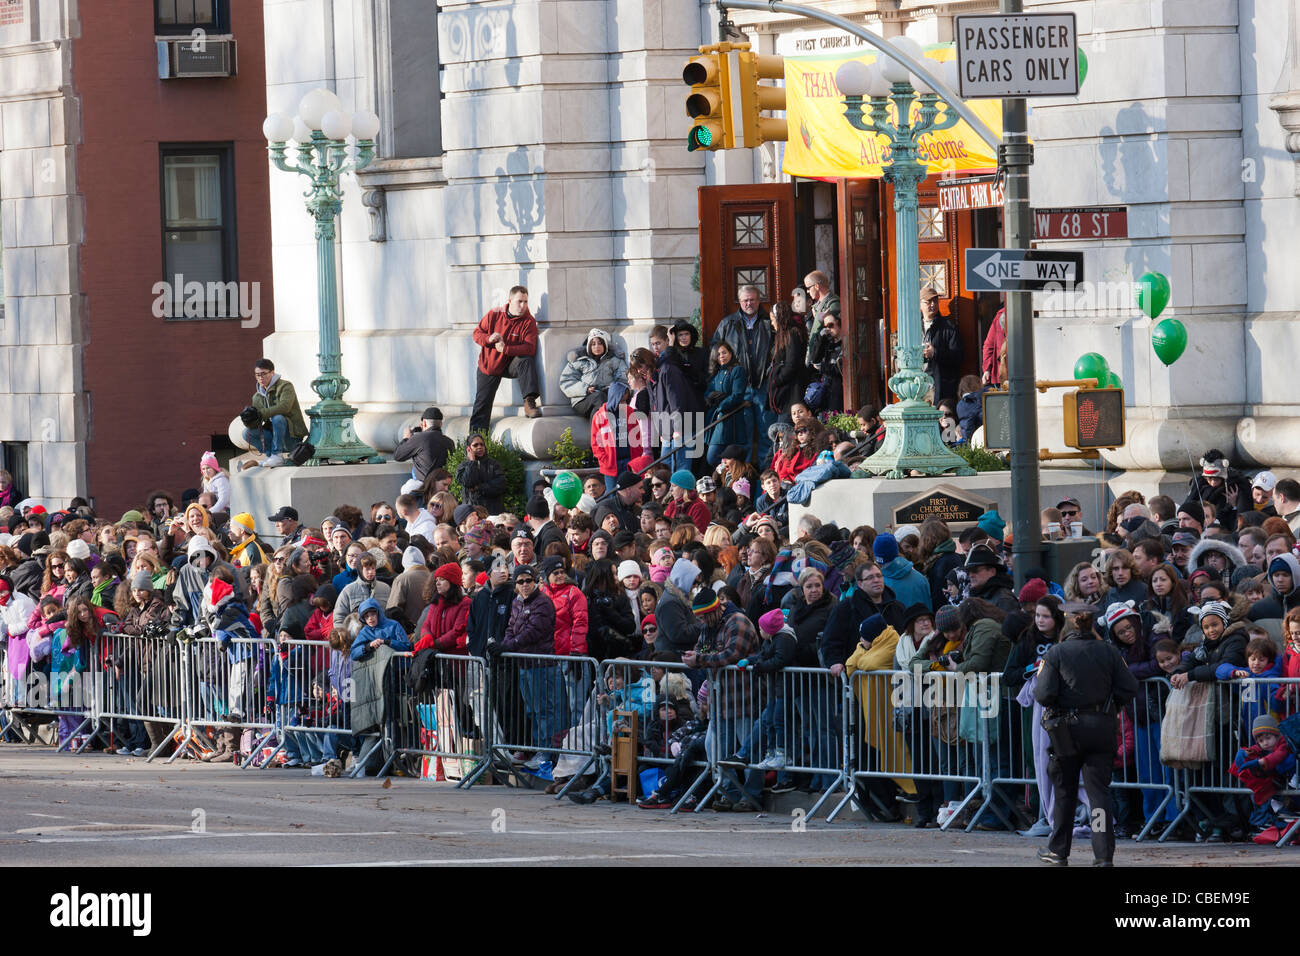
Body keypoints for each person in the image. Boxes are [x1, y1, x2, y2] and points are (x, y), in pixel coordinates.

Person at [1033, 608, 1139, 866]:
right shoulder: (1110, 652)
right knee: (1099, 795)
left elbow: (1044, 694)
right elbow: (1129, 687)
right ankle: (1103, 854)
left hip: (1066, 730)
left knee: (1065, 792)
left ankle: (1058, 851)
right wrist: (1110, 705)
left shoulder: (1056, 653)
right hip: (1102, 726)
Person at [712, 285, 776, 465]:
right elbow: (715, 353)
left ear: (759, 300)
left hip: (764, 386)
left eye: (752, 299)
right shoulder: (728, 324)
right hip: (739, 389)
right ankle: (743, 480)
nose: (749, 303)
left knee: (767, 434)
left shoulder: (769, 322)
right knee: (743, 437)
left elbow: (778, 351)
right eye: (745, 300)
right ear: (739, 302)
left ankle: (766, 479)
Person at [469, 286, 542, 432]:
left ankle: (529, 402)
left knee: (526, 359)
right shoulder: (494, 314)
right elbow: (477, 333)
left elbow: (530, 348)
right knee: (482, 406)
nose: (523, 306)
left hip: (510, 363)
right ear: (509, 301)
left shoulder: (528, 321)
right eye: (519, 301)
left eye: (526, 302)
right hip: (490, 365)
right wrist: (488, 338)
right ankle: (475, 442)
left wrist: (506, 349)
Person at [243, 358, 309, 467]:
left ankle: (277, 455)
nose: (260, 377)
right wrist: (249, 420)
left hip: (291, 437)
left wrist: (261, 413)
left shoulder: (285, 386)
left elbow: (285, 407)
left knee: (278, 418)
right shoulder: (257, 397)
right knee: (247, 433)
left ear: (272, 372)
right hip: (273, 437)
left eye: (263, 374)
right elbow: (258, 422)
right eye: (257, 375)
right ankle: (270, 456)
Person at [559, 328, 628, 418]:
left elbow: (623, 378)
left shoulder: (615, 361)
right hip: (583, 399)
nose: (597, 347)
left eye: (600, 343)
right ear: (589, 346)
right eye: (593, 344)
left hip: (606, 397)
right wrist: (585, 389)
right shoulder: (580, 361)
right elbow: (566, 381)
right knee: (599, 397)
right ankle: (606, 428)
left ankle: (599, 431)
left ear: (605, 345)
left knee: (598, 410)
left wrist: (612, 388)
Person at [703, 342, 749, 467]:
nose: (721, 356)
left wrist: (721, 404)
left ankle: (732, 480)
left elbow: (737, 395)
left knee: (727, 458)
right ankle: (725, 478)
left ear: (730, 353)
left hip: (732, 419)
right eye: (718, 354)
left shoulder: (737, 370)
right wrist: (717, 398)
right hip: (717, 420)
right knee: (713, 457)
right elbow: (708, 395)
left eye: (724, 352)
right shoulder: (715, 375)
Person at [394, 407, 456, 495]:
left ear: (424, 423)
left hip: (423, 489)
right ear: (441, 424)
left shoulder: (419, 438)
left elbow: (398, 455)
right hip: (442, 490)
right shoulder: (449, 442)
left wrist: (406, 438)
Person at [920, 286, 962, 405]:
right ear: (920, 305)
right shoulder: (912, 327)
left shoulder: (949, 328)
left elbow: (958, 357)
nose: (932, 304)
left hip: (939, 387)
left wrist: (935, 353)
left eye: (935, 301)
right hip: (917, 385)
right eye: (928, 302)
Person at [455, 434, 507, 514]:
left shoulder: (494, 464)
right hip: (472, 512)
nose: (479, 447)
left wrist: (479, 487)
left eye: (482, 444)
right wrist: (472, 462)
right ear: (469, 448)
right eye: (475, 445)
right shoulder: (463, 466)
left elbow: (501, 485)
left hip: (492, 511)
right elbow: (468, 482)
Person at [806, 310, 845, 413]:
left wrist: (822, 367)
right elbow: (814, 358)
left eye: (830, 325)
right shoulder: (828, 342)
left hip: (839, 390)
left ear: (839, 323)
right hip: (827, 388)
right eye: (826, 326)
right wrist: (820, 338)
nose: (828, 329)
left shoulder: (846, 343)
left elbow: (841, 368)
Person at [803, 270, 840, 361]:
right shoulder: (816, 307)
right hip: (816, 357)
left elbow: (834, 333)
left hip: (827, 359)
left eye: (808, 288)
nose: (807, 291)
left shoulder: (834, 304)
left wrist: (819, 319)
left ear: (817, 286)